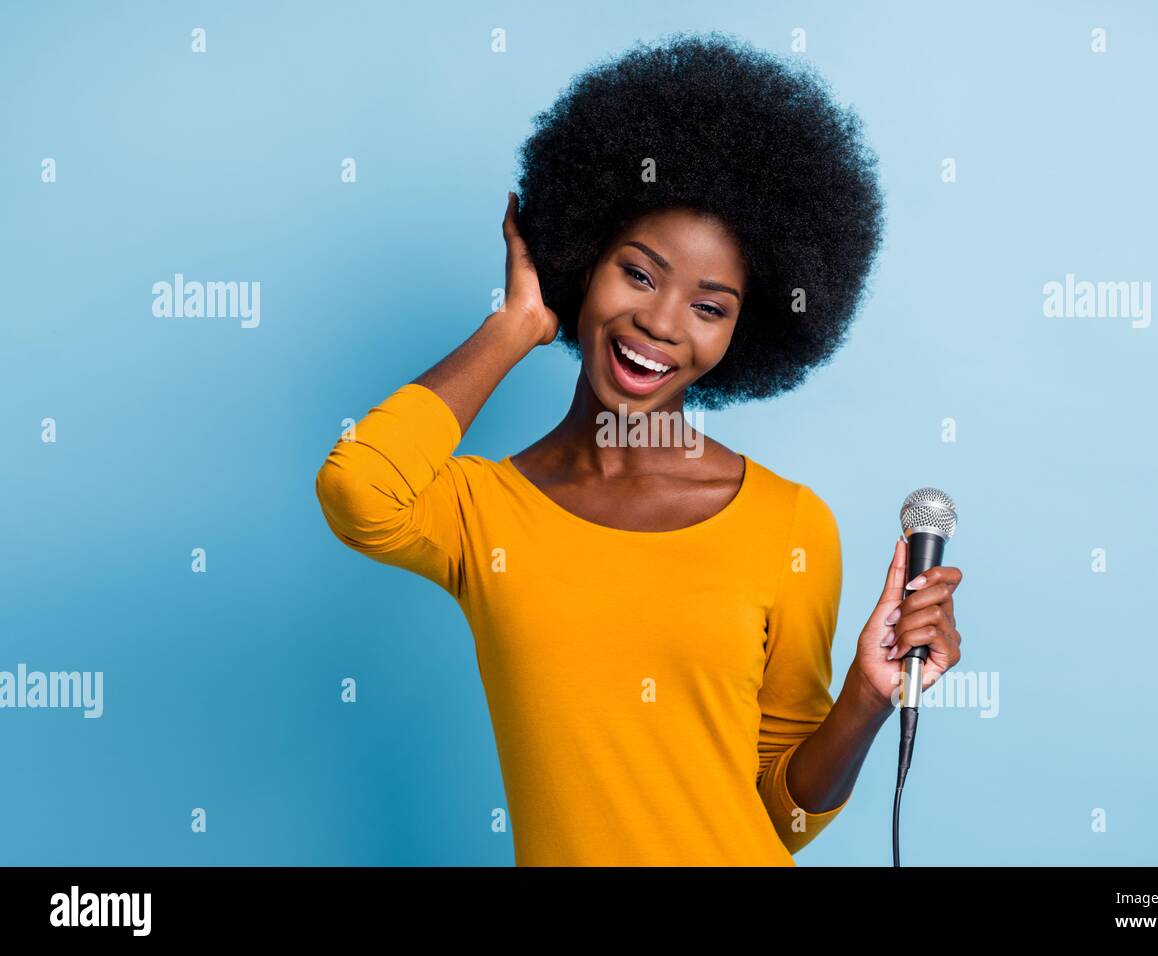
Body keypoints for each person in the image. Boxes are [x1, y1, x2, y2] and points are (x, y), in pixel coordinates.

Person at [314, 31, 964, 866]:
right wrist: (517, 325)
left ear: (746, 332)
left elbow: (785, 822)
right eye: (640, 273)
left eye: (710, 306)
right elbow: (358, 489)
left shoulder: (791, 525)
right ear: (580, 263)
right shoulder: (482, 513)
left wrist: (868, 699)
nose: (661, 325)